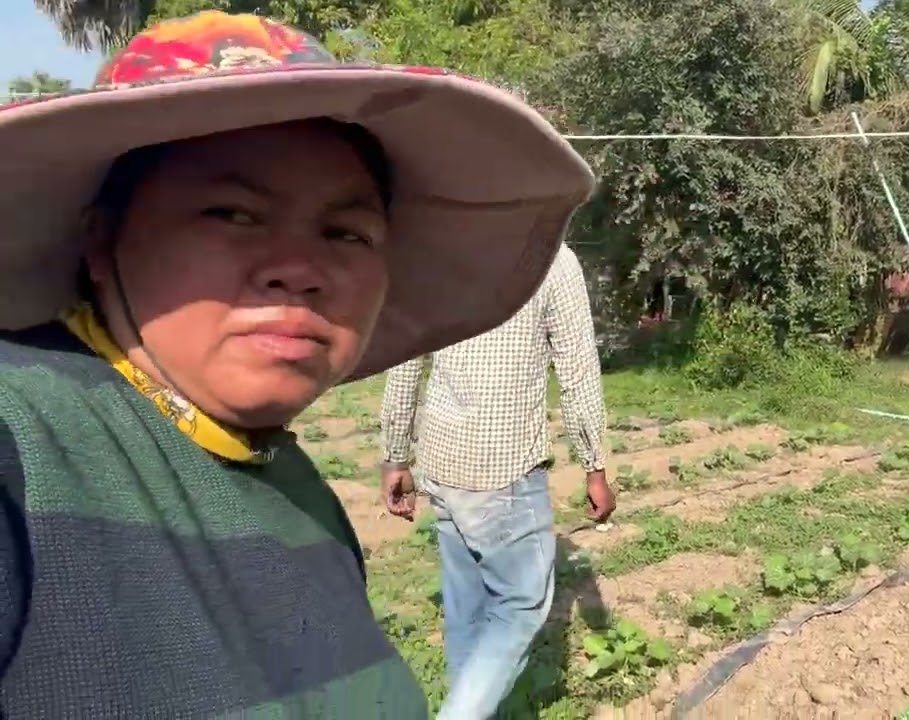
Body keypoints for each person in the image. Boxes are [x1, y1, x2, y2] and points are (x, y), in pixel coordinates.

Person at [0, 10, 594, 718]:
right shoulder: (23, 445)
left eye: (345, 231)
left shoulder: (297, 490)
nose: (300, 269)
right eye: (232, 213)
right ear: (102, 241)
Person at [380, 244, 615, 718]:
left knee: (466, 609)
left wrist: (395, 455)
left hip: (443, 466)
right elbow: (578, 372)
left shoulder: (440, 256)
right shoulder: (552, 260)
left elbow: (406, 359)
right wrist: (595, 467)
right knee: (520, 607)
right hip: (503, 469)